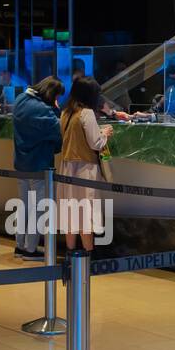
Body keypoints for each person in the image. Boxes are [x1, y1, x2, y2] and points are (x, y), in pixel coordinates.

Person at [11, 76, 64, 260]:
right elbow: (58, 134)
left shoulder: (20, 100)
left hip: (21, 163)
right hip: (40, 163)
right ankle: (30, 249)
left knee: (24, 205)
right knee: (39, 208)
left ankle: (19, 245)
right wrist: (57, 112)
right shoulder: (43, 110)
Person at [58, 76, 113, 253]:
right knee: (86, 213)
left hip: (67, 167)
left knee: (70, 212)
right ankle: (88, 255)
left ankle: (70, 252)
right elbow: (95, 143)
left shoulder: (66, 112)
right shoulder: (86, 113)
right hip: (85, 169)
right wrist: (105, 133)